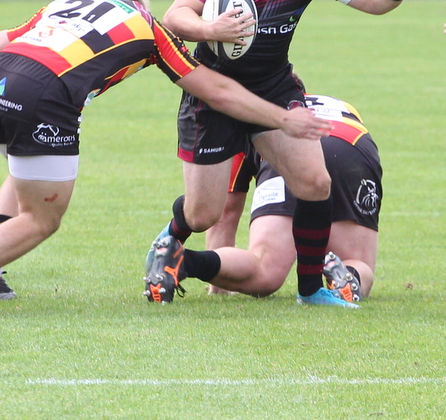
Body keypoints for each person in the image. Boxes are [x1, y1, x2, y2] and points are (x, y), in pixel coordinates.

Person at [0, 0, 331, 315]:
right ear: (138, 5)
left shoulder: (67, 4)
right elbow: (215, 89)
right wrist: (280, 117)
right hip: (43, 96)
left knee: (25, 174)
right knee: (42, 218)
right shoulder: (149, 26)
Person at [145, 0, 417, 308]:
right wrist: (211, 30)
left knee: (314, 182)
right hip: (215, 93)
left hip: (274, 86)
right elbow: (175, 17)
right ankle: (170, 242)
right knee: (204, 214)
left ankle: (311, 291)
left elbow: (371, 0)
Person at [146, 94, 381, 304]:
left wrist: (218, 285)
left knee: (265, 268)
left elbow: (226, 211)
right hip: (351, 145)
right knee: (355, 261)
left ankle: (183, 261)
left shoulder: (247, 112)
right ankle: (347, 278)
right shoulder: (322, 99)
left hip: (288, 143)